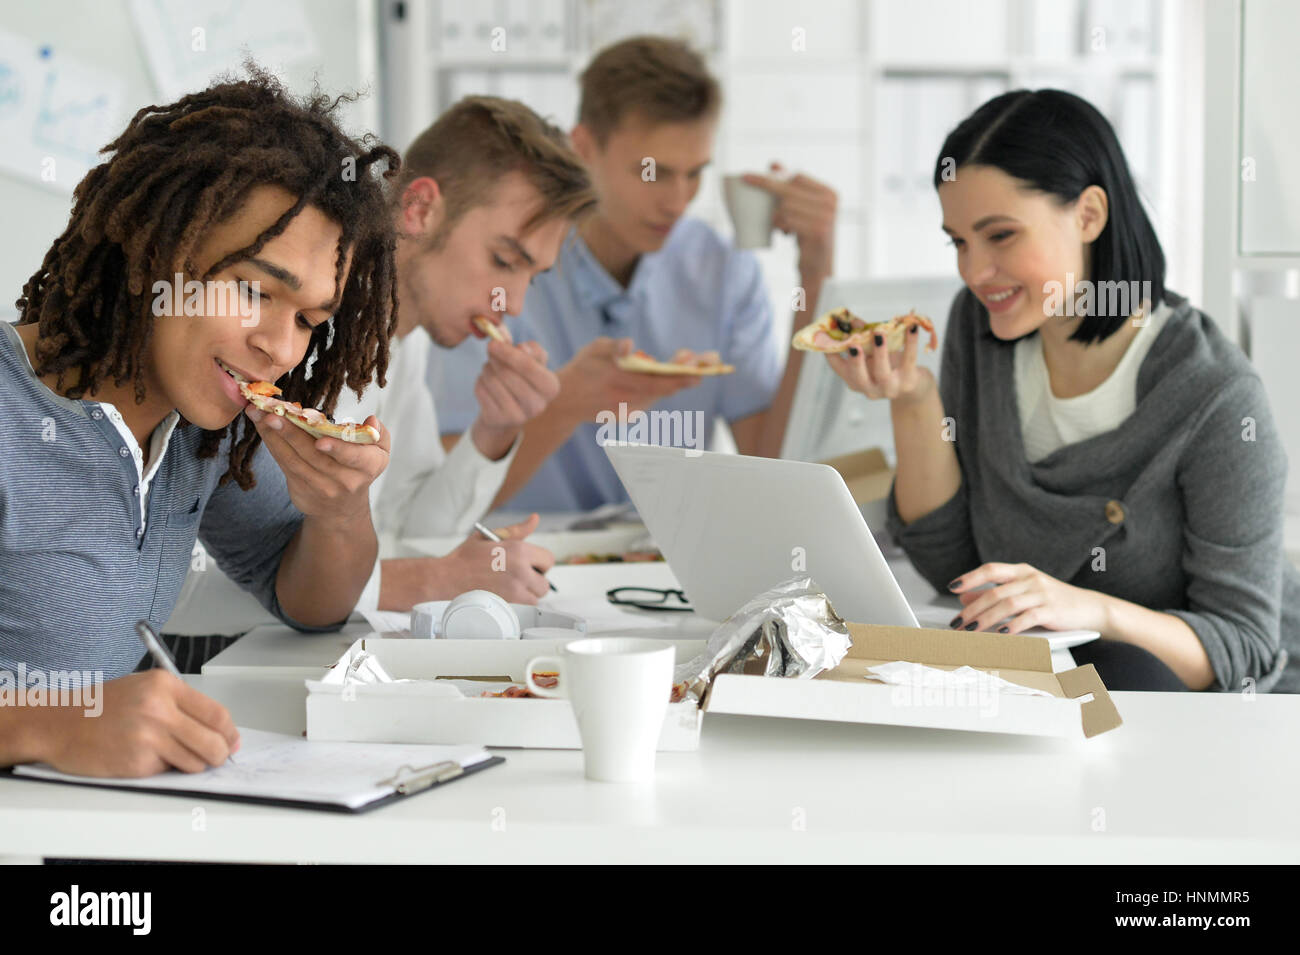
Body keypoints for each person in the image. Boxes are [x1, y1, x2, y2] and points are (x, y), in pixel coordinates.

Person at [827, 88, 1300, 692]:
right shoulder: (981, 332)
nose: (974, 273)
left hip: (1207, 714)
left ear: (1089, 215)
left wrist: (1093, 610)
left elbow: (1244, 644)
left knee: (1125, 670)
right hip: (1052, 700)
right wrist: (914, 399)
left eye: (1000, 236)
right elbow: (954, 569)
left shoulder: (1214, 394)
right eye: (959, 242)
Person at [0, 70, 400, 776]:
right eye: (254, 289)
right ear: (156, 249)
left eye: (308, 319)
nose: (280, 347)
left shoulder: (202, 427)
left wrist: (339, 512)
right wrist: (54, 725)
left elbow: (310, 603)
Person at [167, 96, 596, 635]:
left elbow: (407, 529)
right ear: (418, 210)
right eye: (504, 262)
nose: (513, 302)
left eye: (532, 275)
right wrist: (429, 580)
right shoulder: (273, 337)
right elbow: (231, 566)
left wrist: (495, 431)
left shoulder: (402, 342)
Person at [433, 35, 839, 513]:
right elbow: (444, 497)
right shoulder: (505, 267)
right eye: (654, 173)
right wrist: (567, 404)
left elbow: (775, 467)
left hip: (668, 568)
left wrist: (815, 276)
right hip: (522, 559)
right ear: (582, 147)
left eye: (695, 173)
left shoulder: (725, 273)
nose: (678, 200)